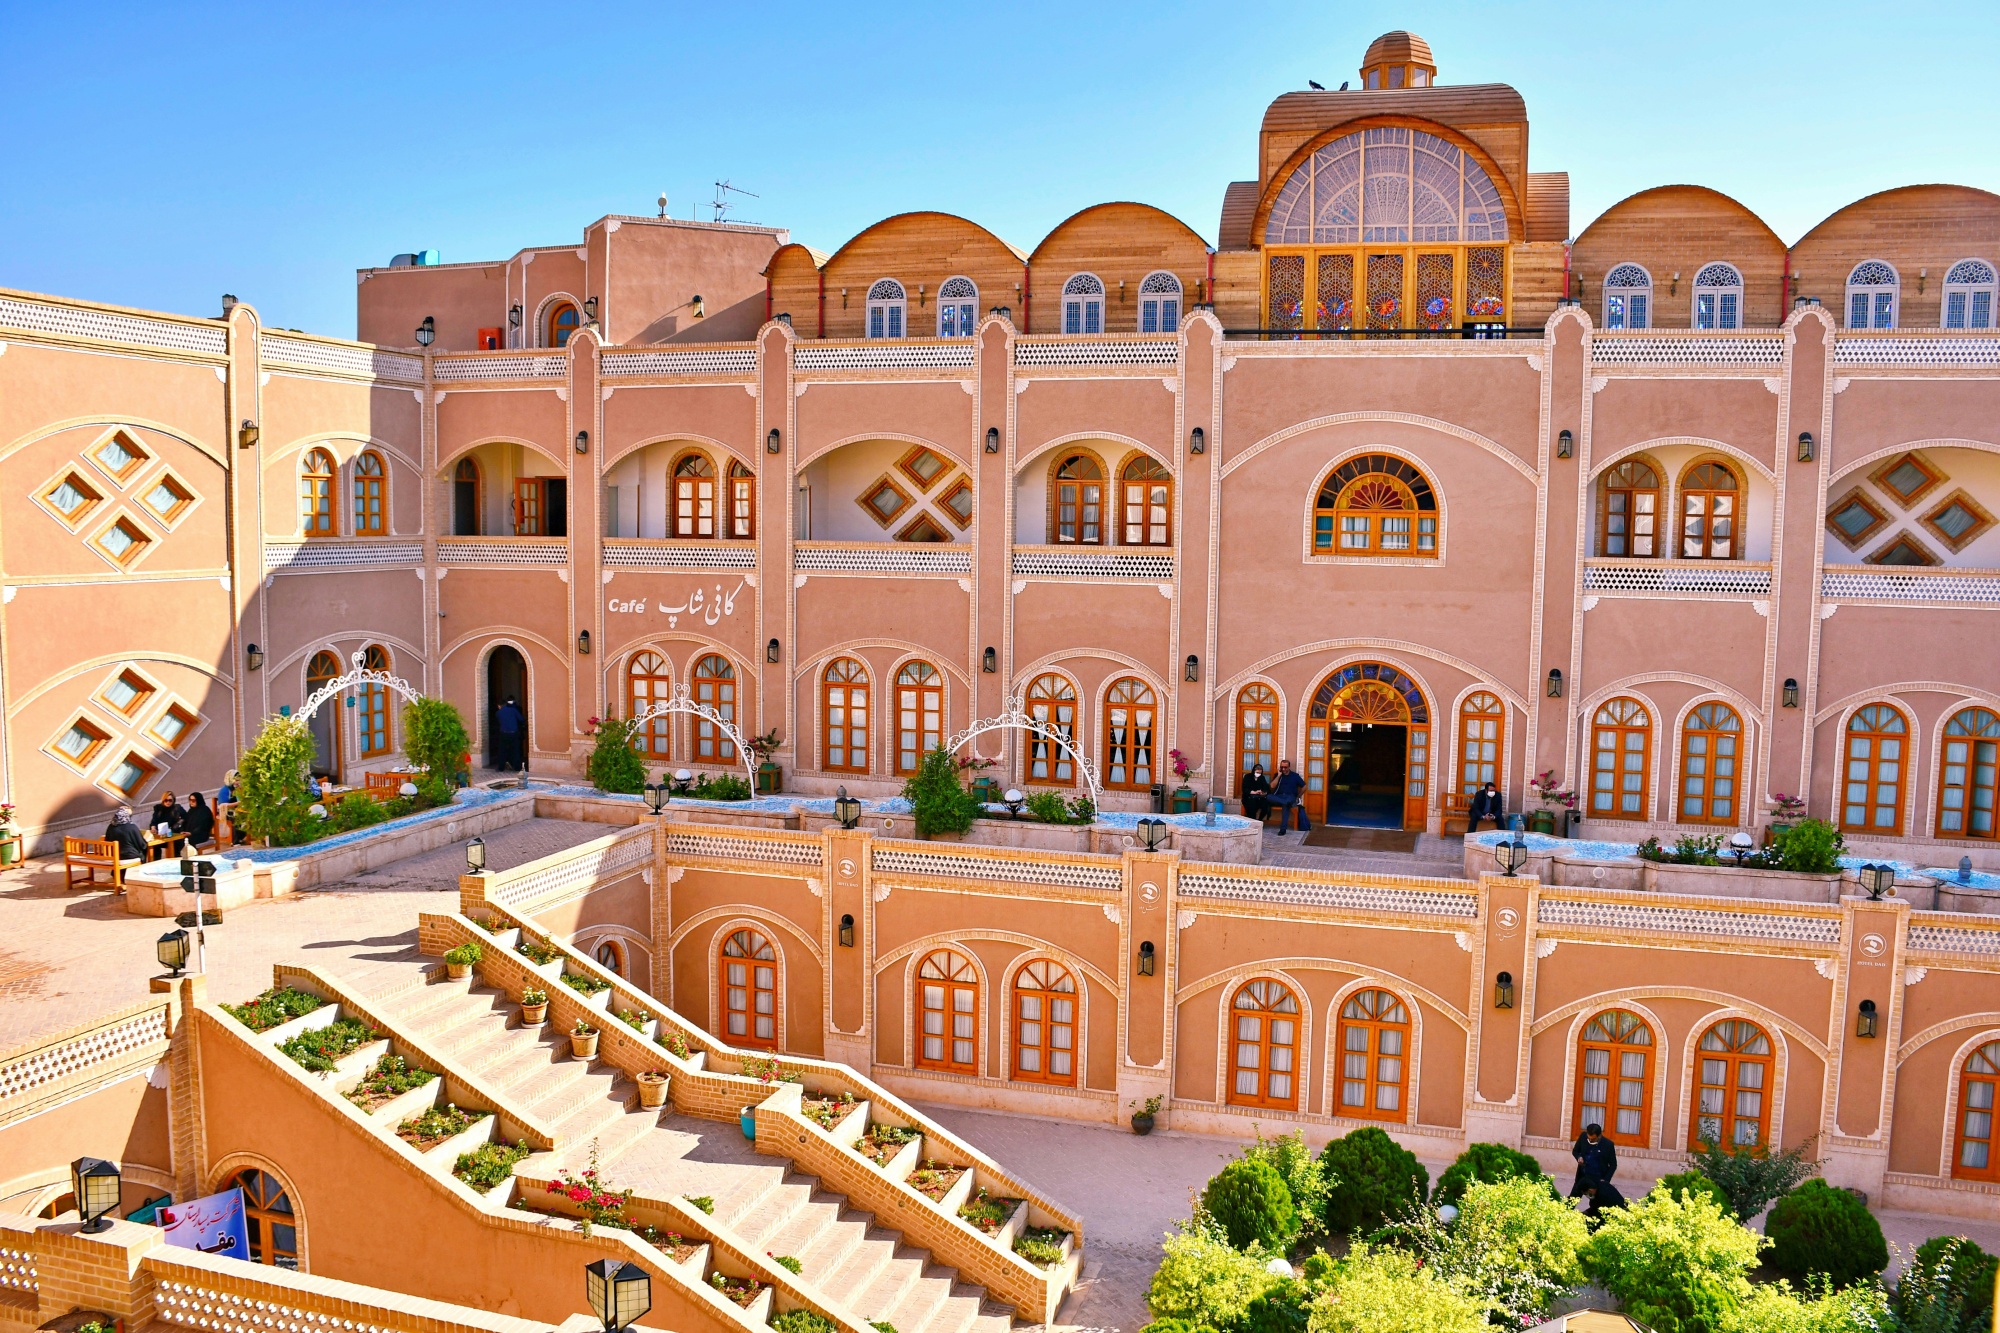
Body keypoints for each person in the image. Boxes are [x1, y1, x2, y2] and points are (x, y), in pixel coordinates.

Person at [1570, 1122, 1618, 1201]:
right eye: (1589, 1138)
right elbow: (1575, 1151)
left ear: (1599, 1136)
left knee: (1596, 1204)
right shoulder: (1583, 1137)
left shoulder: (1608, 1145)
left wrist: (1605, 1180)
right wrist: (1579, 1157)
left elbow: (1613, 1165)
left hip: (1597, 1180)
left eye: (1593, 1139)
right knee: (1572, 1200)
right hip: (1582, 1177)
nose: (1590, 1140)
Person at [1269, 759, 1310, 834]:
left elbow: (1304, 786)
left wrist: (1298, 796)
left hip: (1290, 797)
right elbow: (1272, 786)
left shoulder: (1295, 776)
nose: (1283, 769)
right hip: (1279, 797)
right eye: (1282, 767)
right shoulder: (1278, 775)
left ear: (1289, 767)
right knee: (1269, 797)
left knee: (1286, 804)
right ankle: (1286, 802)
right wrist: (1278, 775)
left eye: (1285, 767)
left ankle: (1283, 829)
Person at [147, 791, 186, 859]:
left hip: (174, 833)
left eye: (170, 800)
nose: (168, 802)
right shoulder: (158, 809)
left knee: (177, 845)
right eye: (166, 800)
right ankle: (156, 862)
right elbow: (153, 821)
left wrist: (178, 824)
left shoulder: (177, 808)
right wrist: (153, 828)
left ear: (173, 800)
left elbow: (185, 817)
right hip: (161, 835)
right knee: (155, 845)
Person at [496, 696, 525, 772]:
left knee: (502, 751)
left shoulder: (498, 713)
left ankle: (501, 767)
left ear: (499, 706)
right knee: (515, 750)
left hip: (503, 734)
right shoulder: (513, 710)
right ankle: (517, 768)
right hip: (514, 733)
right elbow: (521, 719)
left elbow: (499, 722)